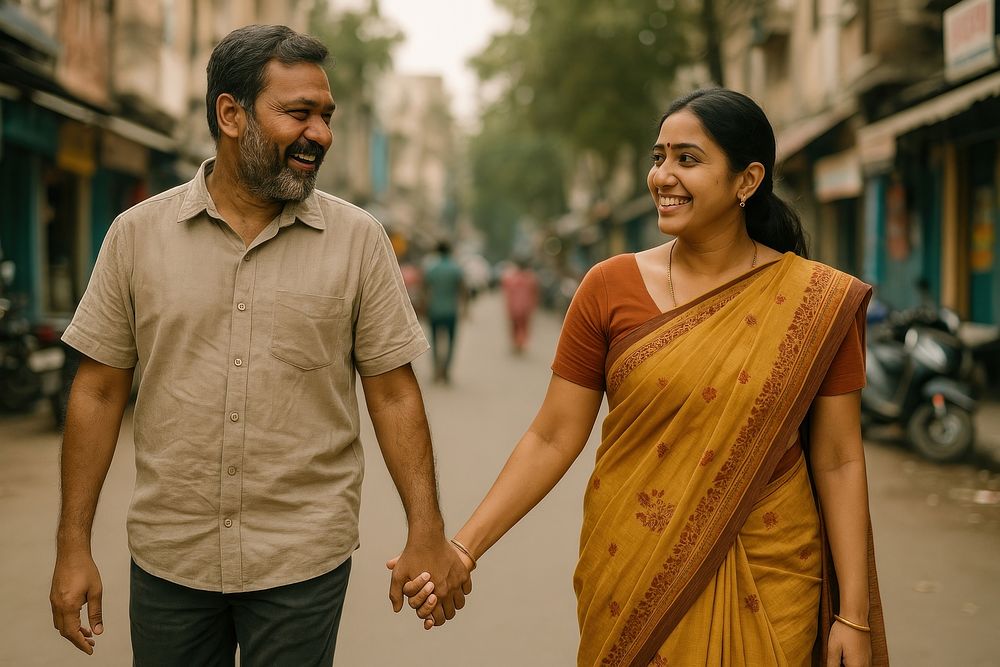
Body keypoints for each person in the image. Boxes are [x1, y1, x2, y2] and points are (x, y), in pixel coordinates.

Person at [399, 88, 888, 666]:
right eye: (659, 157)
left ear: (747, 180)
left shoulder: (815, 301)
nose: (662, 176)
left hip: (774, 571)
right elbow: (553, 436)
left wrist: (851, 616)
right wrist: (463, 548)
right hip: (633, 567)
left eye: (687, 158)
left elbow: (837, 459)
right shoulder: (609, 287)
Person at [48, 24, 469, 664]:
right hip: (171, 557)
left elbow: (393, 392)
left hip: (303, 560)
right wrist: (72, 544)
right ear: (231, 115)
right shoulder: (135, 235)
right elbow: (99, 389)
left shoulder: (359, 240)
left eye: (326, 116)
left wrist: (426, 530)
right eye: (298, 113)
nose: (320, 134)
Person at [422, 240, 465, 383]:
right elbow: (462, 290)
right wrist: (465, 308)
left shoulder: (431, 269)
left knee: (434, 341)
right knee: (451, 342)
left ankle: (436, 371)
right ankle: (446, 371)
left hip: (434, 310)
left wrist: (423, 308)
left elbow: (425, 290)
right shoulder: (455, 269)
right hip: (450, 311)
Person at [500, 257, 540, 353]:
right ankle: (520, 344)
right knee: (523, 326)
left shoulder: (510, 277)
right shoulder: (531, 278)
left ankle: (517, 343)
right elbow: (535, 293)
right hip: (526, 307)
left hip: (514, 307)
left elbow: (506, 292)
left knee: (515, 326)